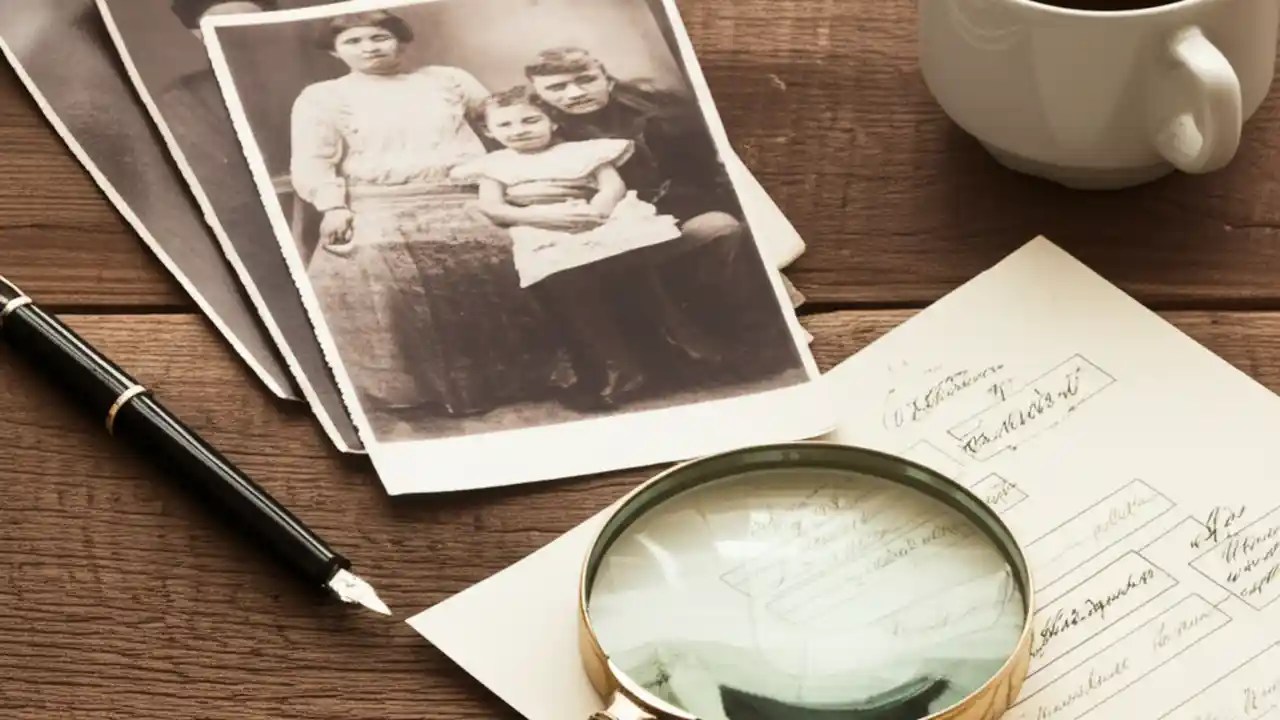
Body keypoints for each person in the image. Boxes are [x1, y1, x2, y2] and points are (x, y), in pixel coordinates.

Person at [289, 11, 562, 425]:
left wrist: (526, 175)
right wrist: (332, 205)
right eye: (354, 41)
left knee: (515, 249)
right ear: (333, 50)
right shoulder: (322, 97)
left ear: (400, 40)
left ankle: (528, 377)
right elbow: (313, 159)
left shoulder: (447, 80)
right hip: (378, 202)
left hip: (468, 193)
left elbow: (502, 124)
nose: (369, 48)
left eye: (379, 37)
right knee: (374, 265)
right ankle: (424, 392)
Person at [451, 86, 685, 408]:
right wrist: (542, 217)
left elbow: (612, 185)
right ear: (488, 131)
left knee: (627, 260)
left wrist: (598, 210)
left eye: (530, 120)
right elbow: (492, 207)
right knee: (560, 273)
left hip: (591, 214)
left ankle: (674, 347)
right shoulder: (494, 166)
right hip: (539, 222)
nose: (519, 130)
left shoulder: (584, 152)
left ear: (553, 122)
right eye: (505, 125)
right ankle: (617, 366)